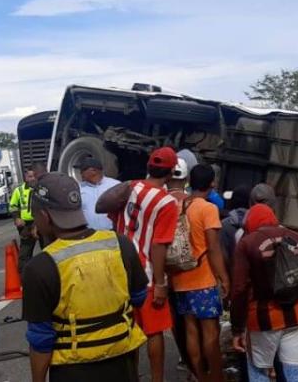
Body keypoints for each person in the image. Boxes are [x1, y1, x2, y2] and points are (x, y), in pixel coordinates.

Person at [21, 173, 148, 382]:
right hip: (123, 363)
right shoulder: (120, 244)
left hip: (72, 371)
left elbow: (41, 339)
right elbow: (139, 296)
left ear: (44, 216)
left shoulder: (40, 267)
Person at [96, 147, 181, 382]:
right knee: (154, 332)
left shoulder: (129, 188)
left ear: (148, 167)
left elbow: (113, 219)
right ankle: (157, 379)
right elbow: (158, 245)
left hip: (119, 270)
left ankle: (131, 376)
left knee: (128, 330)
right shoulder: (166, 202)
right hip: (146, 274)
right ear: (171, 172)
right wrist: (160, 282)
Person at [231, 204, 298, 382]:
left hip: (263, 319)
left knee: (259, 371)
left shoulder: (247, 244)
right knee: (295, 372)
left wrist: (237, 329)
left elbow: (239, 289)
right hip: (297, 318)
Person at [169, 163, 231, 382]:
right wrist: (224, 278)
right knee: (210, 334)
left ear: (190, 182)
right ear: (212, 184)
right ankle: (216, 378)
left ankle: (199, 376)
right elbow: (213, 248)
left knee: (191, 331)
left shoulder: (179, 205)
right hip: (202, 279)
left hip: (179, 278)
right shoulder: (208, 209)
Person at [10, 166, 44, 275]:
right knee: (25, 255)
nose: (32, 178)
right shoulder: (19, 190)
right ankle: (25, 278)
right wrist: (17, 218)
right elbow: (13, 206)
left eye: (34, 176)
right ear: (25, 177)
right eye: (30, 176)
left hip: (41, 224)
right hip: (25, 226)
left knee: (48, 250)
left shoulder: (42, 189)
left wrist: (37, 225)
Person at [76, 156, 120, 231]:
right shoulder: (78, 188)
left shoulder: (115, 185)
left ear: (94, 171)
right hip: (88, 233)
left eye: (83, 170)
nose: (80, 173)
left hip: (111, 232)